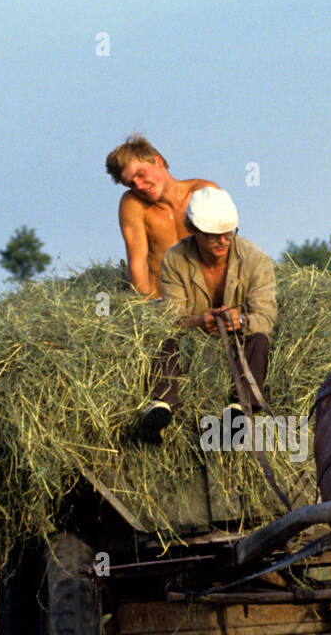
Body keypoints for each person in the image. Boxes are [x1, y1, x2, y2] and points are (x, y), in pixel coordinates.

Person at [141, 187, 277, 443]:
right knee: (164, 341)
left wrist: (241, 321)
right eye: (213, 237)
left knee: (260, 340)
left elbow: (266, 315)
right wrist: (197, 322)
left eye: (228, 234)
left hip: (239, 342)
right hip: (193, 341)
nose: (223, 242)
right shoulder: (175, 259)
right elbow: (171, 315)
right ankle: (161, 406)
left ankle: (240, 408)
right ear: (193, 230)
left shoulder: (255, 259)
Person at [105, 135, 217, 297]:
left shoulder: (204, 192)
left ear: (158, 162)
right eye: (131, 184)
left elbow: (224, 250)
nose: (139, 186)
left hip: (205, 303)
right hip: (161, 306)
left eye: (141, 174)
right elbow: (137, 261)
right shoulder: (133, 204)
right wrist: (143, 310)